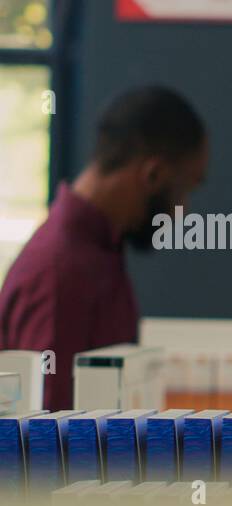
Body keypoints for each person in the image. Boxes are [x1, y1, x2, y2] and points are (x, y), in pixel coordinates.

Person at [0, 86, 207, 411]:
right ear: (153, 174)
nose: (183, 210)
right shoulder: (61, 271)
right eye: (184, 191)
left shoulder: (100, 253)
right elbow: (50, 442)